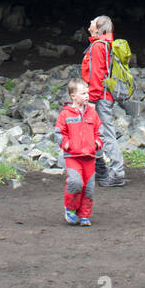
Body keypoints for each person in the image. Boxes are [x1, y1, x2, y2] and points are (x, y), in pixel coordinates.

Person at [81, 15, 127, 186]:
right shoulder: (105, 44)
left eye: (93, 21)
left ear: (98, 27)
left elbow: (96, 75)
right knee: (96, 131)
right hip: (104, 95)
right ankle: (100, 169)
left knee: (105, 133)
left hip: (100, 97)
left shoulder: (97, 47)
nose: (90, 22)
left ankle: (117, 172)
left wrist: (91, 99)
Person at [54, 77, 102, 225]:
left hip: (89, 156)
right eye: (83, 93)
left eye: (87, 93)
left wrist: (97, 143)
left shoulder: (92, 113)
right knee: (75, 182)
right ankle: (70, 208)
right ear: (73, 96)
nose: (87, 96)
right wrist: (66, 144)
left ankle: (85, 215)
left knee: (89, 188)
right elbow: (58, 132)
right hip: (73, 156)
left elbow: (100, 131)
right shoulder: (65, 114)